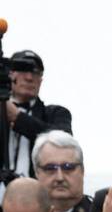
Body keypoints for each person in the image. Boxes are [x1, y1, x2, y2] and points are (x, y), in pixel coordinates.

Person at [0, 49, 72, 193]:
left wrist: (18, 117)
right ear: (9, 74)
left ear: (41, 80)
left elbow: (64, 141)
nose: (29, 77)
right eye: (22, 70)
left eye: (36, 73)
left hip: (38, 199)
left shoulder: (55, 113)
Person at [32, 131, 92, 212]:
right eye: (50, 168)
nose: (60, 177)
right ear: (36, 172)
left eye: (68, 167)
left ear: (82, 170)